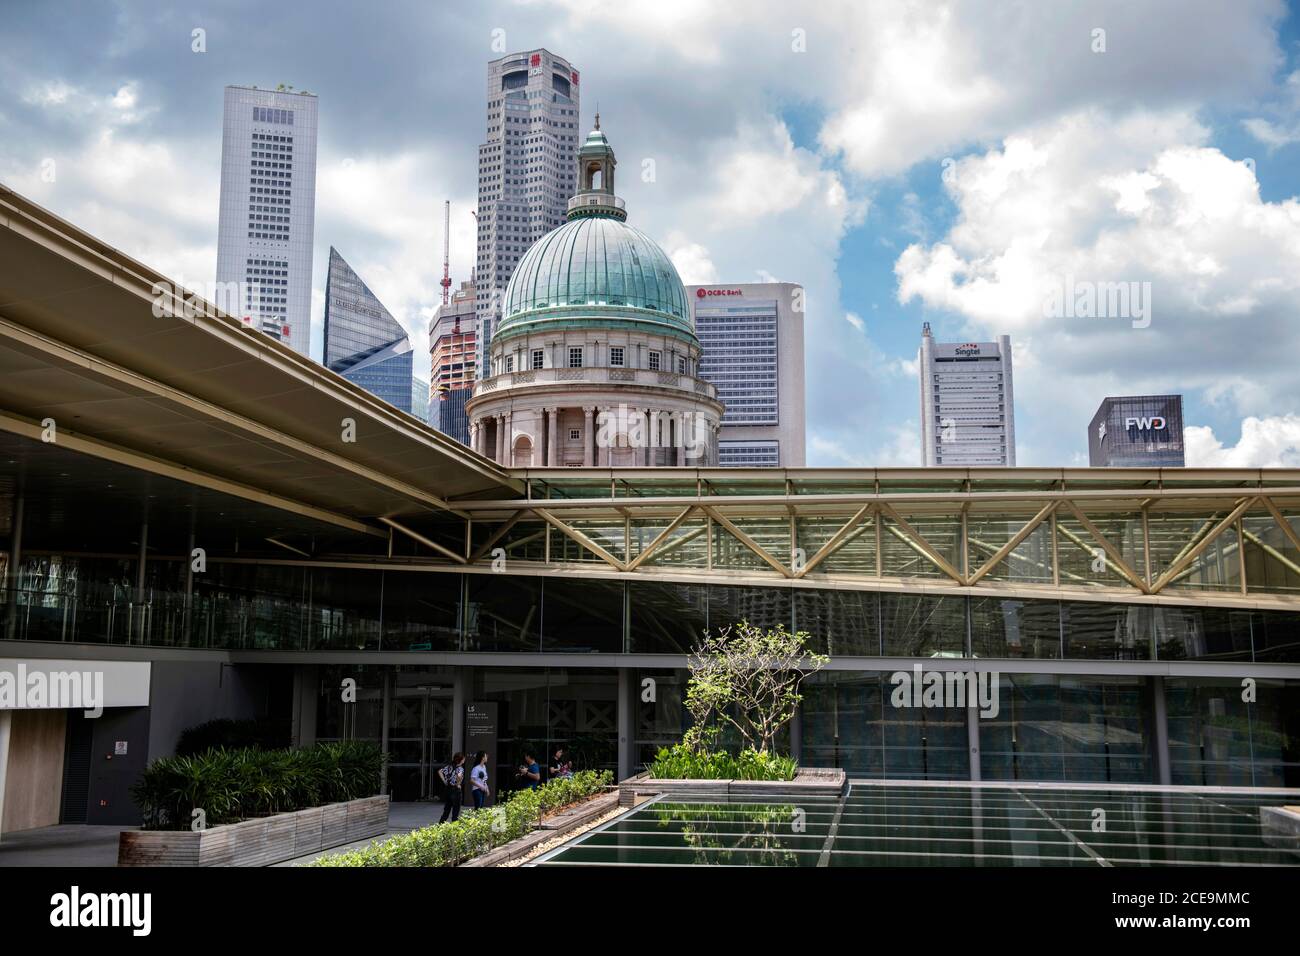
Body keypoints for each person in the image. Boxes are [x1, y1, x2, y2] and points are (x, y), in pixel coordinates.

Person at [438, 752, 466, 823]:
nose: (464, 760)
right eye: (463, 759)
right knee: (455, 811)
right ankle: (454, 826)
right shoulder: (460, 768)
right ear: (461, 760)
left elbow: (440, 771)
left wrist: (444, 781)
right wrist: (458, 784)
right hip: (456, 790)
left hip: (448, 789)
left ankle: (440, 825)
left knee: (446, 810)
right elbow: (459, 776)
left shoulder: (449, 766)